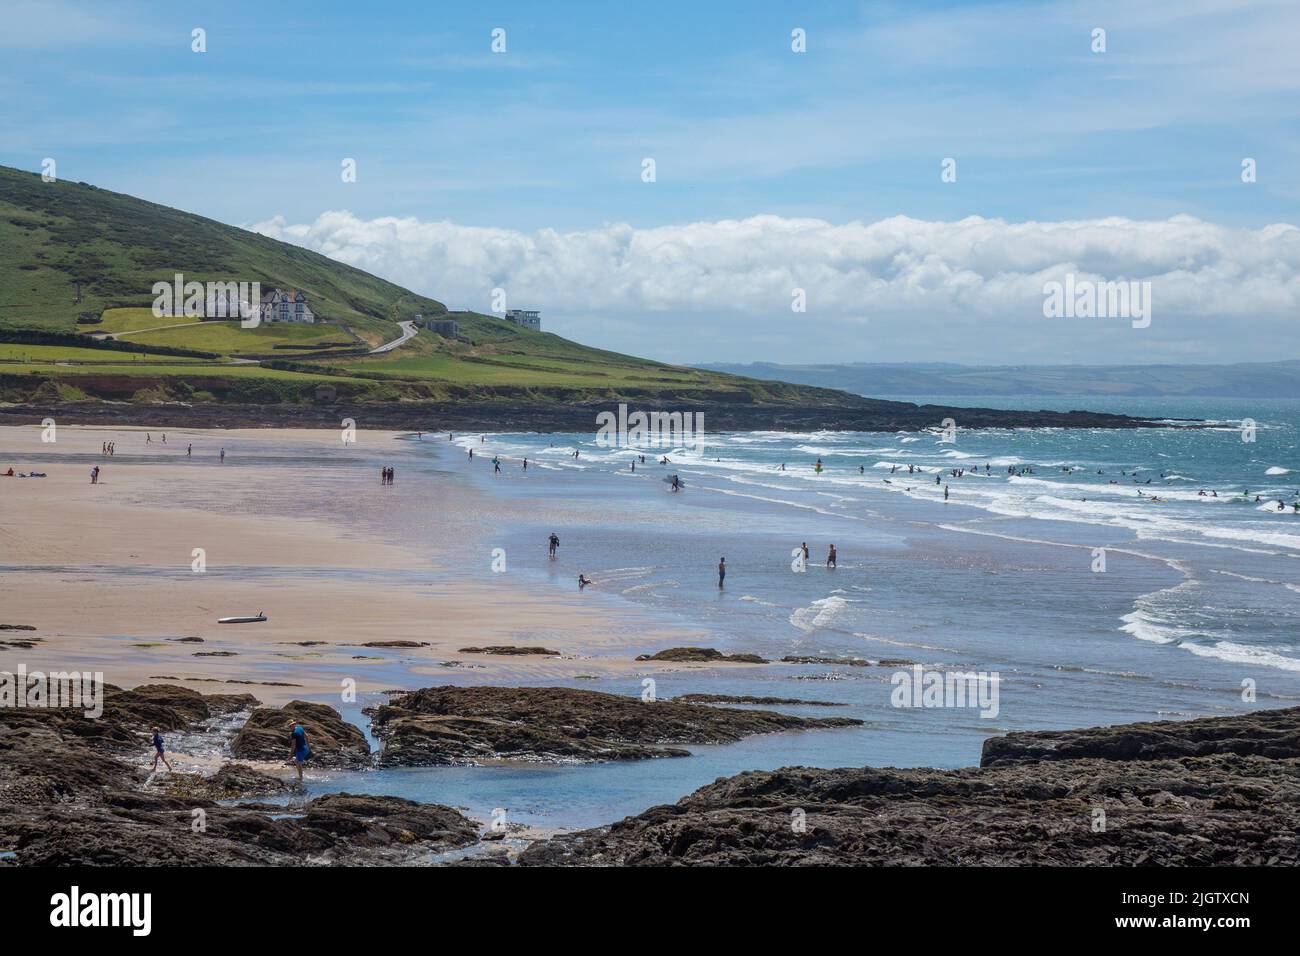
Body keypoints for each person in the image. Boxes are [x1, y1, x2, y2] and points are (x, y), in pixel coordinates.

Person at [288, 719, 310, 784]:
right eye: (290, 726)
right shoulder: (300, 728)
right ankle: (300, 776)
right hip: (305, 748)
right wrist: (308, 747)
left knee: (298, 763)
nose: (291, 727)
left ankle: (301, 779)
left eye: (292, 725)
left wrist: (290, 755)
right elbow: (307, 736)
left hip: (300, 750)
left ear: (294, 725)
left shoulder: (293, 734)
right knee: (296, 761)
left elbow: (293, 746)